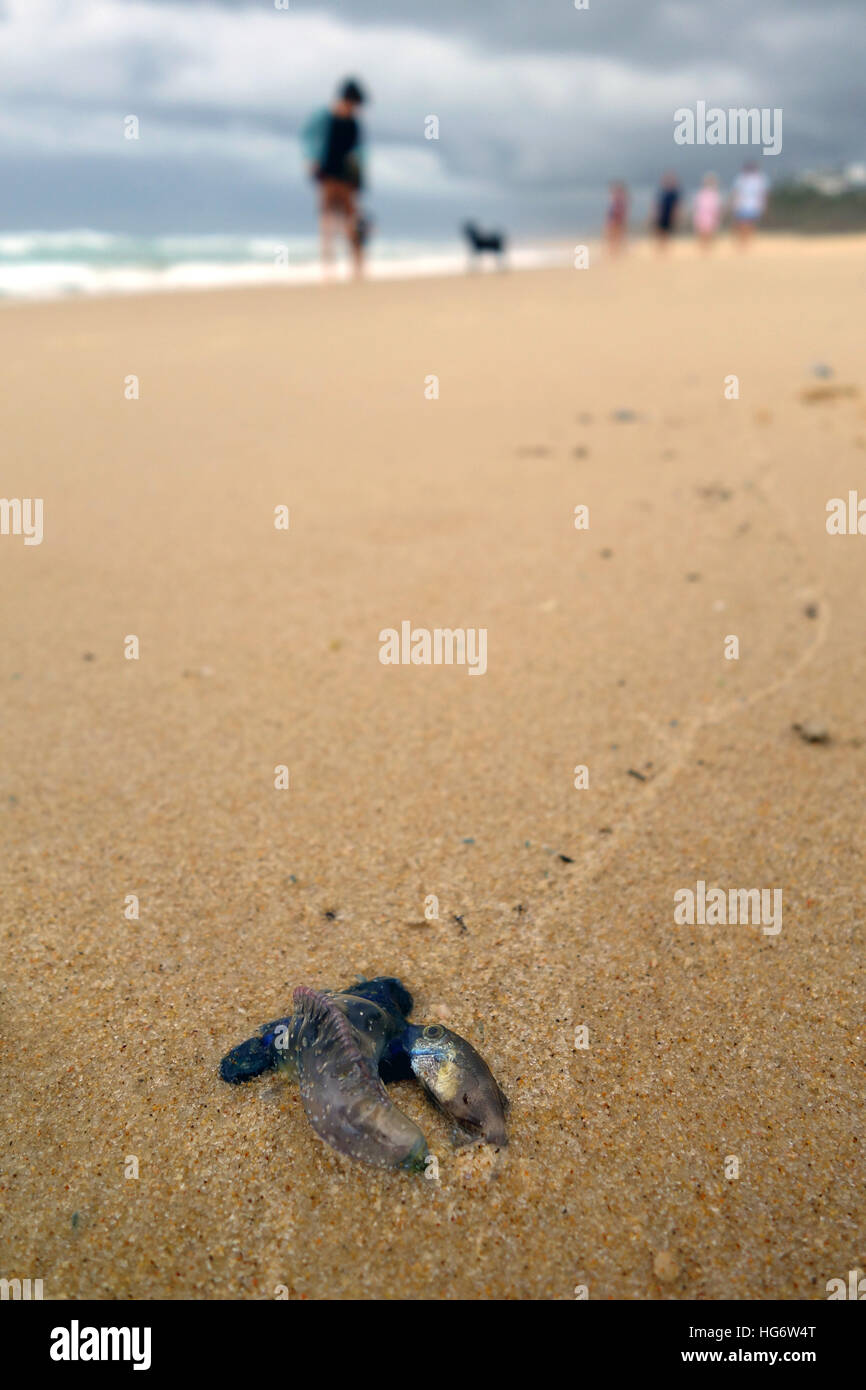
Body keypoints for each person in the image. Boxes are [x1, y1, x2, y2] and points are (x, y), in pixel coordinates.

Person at [301, 78, 368, 277]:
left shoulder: (355, 124)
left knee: (351, 221)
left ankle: (357, 268)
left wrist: (359, 177)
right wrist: (311, 159)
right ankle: (328, 269)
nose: (355, 109)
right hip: (327, 175)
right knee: (327, 220)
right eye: (354, 104)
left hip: (348, 178)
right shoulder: (325, 117)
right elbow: (309, 137)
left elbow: (359, 152)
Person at [730, 161, 768, 247]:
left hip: (753, 206)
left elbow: (763, 193)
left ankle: (746, 241)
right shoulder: (741, 178)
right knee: (743, 224)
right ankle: (743, 241)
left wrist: (762, 204)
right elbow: (736, 192)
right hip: (742, 205)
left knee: (748, 224)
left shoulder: (759, 179)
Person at [692, 173, 722, 249]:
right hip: (702, 215)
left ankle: (708, 249)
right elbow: (697, 206)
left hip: (710, 216)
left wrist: (717, 215)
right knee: (702, 234)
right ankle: (703, 249)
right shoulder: (701, 193)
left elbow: (716, 207)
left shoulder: (715, 194)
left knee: (709, 234)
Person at [653, 171, 681, 250]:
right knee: (659, 231)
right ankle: (660, 246)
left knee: (668, 232)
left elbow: (676, 205)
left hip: (669, 215)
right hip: (661, 214)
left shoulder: (674, 193)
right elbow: (657, 204)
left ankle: (666, 247)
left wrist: (675, 215)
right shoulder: (661, 192)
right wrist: (655, 213)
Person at [605, 181, 628, 254]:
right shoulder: (617, 200)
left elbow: (618, 212)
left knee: (616, 236)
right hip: (615, 219)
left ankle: (615, 250)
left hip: (616, 219)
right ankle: (613, 250)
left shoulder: (618, 200)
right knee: (613, 236)